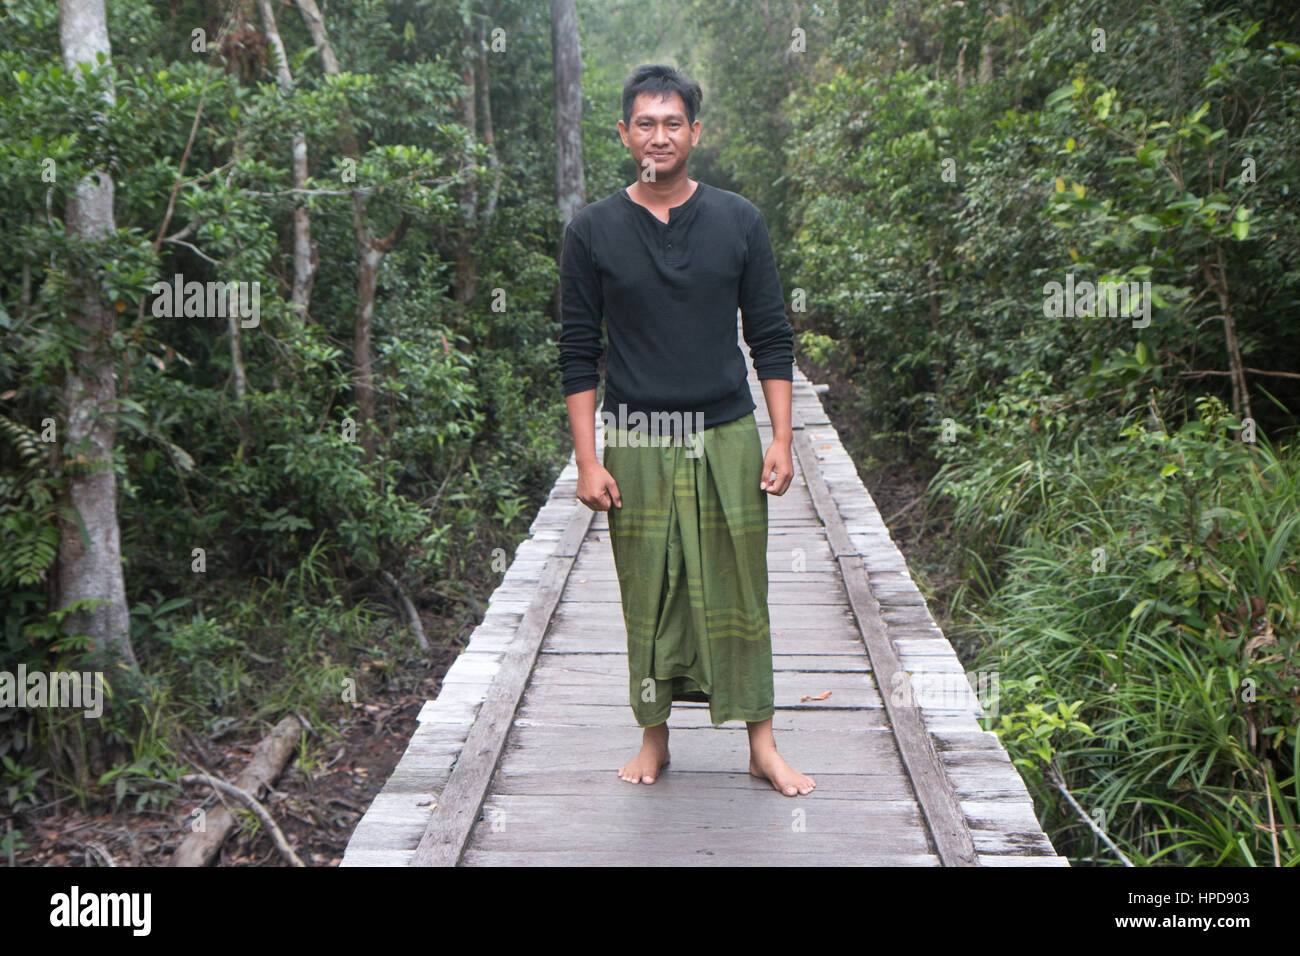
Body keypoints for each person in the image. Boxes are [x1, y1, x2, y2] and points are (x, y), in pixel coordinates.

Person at [557, 64, 815, 797]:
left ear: (695, 133)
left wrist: (781, 437)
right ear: (623, 132)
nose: (659, 136)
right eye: (645, 122)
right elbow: (578, 350)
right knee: (650, 590)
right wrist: (586, 460)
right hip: (634, 440)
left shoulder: (739, 220)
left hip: (726, 434)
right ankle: (654, 737)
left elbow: (770, 335)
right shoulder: (593, 231)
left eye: (673, 123)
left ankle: (761, 743)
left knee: (742, 588)